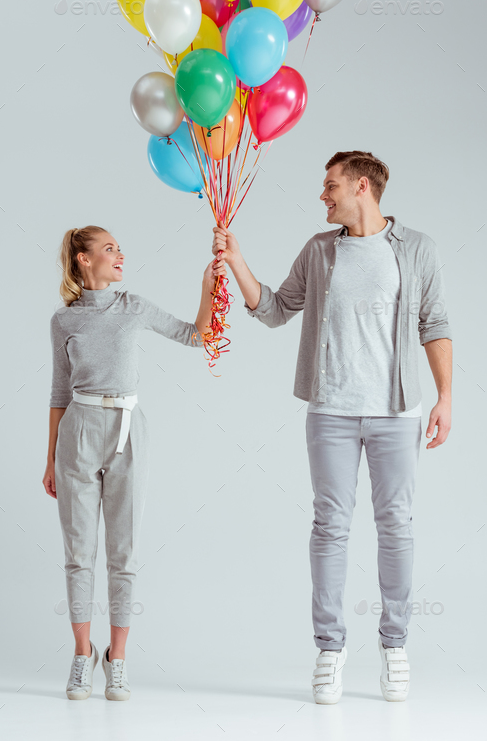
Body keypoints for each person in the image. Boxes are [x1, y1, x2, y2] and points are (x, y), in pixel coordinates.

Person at [212, 151, 452, 704]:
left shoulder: (416, 250)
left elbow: (434, 323)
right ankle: (330, 649)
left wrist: (444, 397)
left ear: (361, 186)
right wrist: (237, 261)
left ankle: (395, 646)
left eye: (330, 187)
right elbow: (273, 310)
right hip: (332, 411)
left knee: (396, 525)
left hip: (396, 413)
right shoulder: (320, 251)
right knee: (330, 527)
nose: (322, 197)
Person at [43, 225, 224, 701]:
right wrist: (49, 460)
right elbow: (60, 392)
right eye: (109, 249)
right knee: (79, 553)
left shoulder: (133, 307)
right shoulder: (64, 321)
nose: (120, 255)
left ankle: (116, 658)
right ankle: (83, 654)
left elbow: (195, 334)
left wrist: (207, 288)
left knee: (123, 553)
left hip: (128, 429)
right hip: (78, 429)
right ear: (83, 260)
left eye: (119, 249)